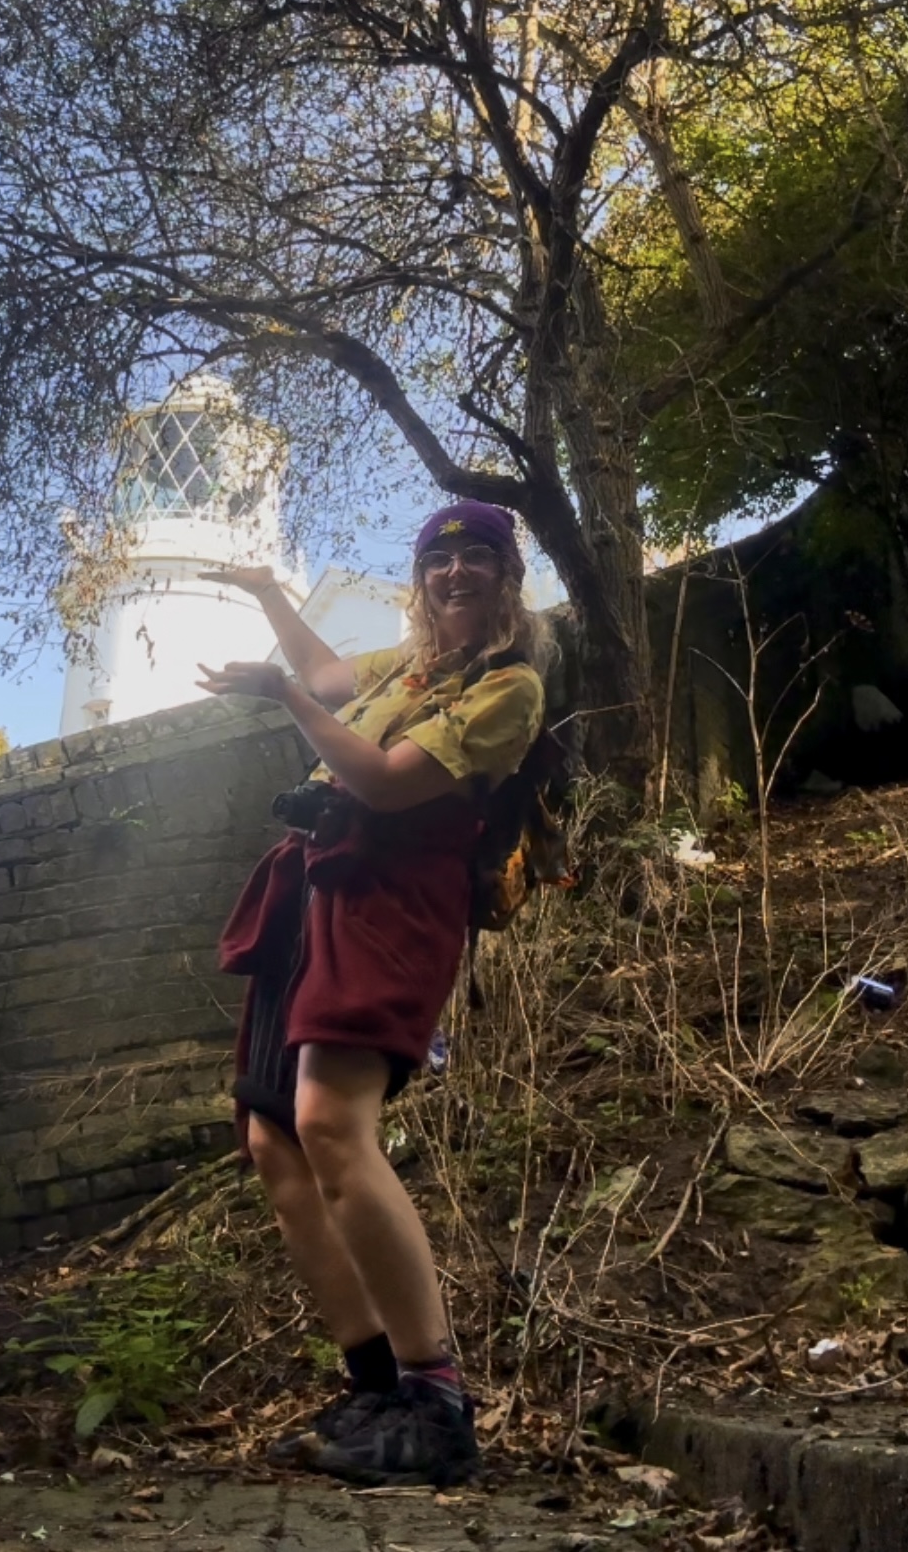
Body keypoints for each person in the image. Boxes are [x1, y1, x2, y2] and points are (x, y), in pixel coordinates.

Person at [196, 500, 550, 1487]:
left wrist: (290, 704)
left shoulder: (509, 686)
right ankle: (375, 1387)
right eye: (440, 559)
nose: (455, 573)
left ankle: (435, 1403)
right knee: (273, 1134)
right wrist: (271, 594)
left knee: (332, 1122)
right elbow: (325, 674)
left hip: (393, 902)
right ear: (421, 577)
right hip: (312, 891)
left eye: (477, 557)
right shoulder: (403, 670)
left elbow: (388, 781)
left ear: (505, 578)